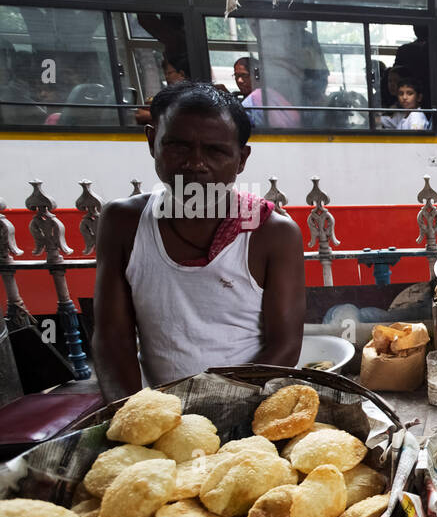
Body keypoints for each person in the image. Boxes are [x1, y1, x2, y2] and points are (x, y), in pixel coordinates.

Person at [92, 82, 305, 401]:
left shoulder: (272, 232)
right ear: (152, 141)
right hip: (162, 413)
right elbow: (112, 339)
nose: (195, 162)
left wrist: (222, 409)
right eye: (178, 146)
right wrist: (129, 413)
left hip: (249, 407)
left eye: (215, 150)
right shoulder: (123, 222)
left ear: (242, 158)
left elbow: (284, 346)